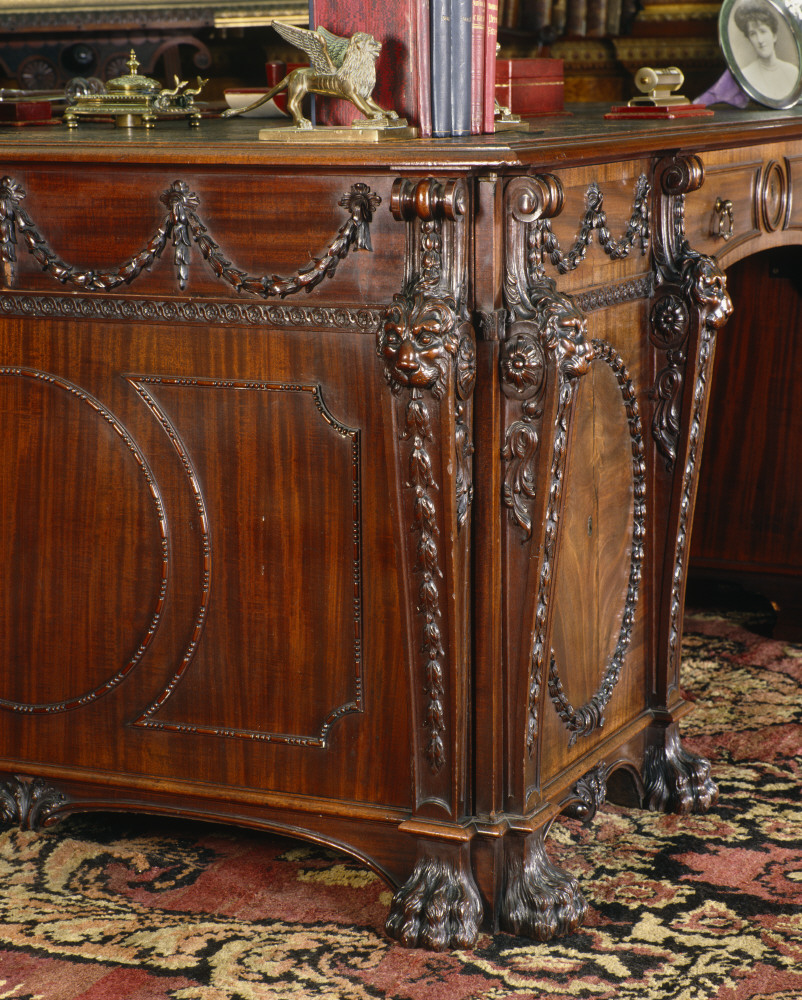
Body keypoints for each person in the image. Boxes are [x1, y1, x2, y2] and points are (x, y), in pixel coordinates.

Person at [733, 1, 799, 100]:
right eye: (753, 34)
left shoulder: (792, 72)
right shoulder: (746, 75)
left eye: (763, 31)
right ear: (750, 40)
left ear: (774, 35)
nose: (759, 40)